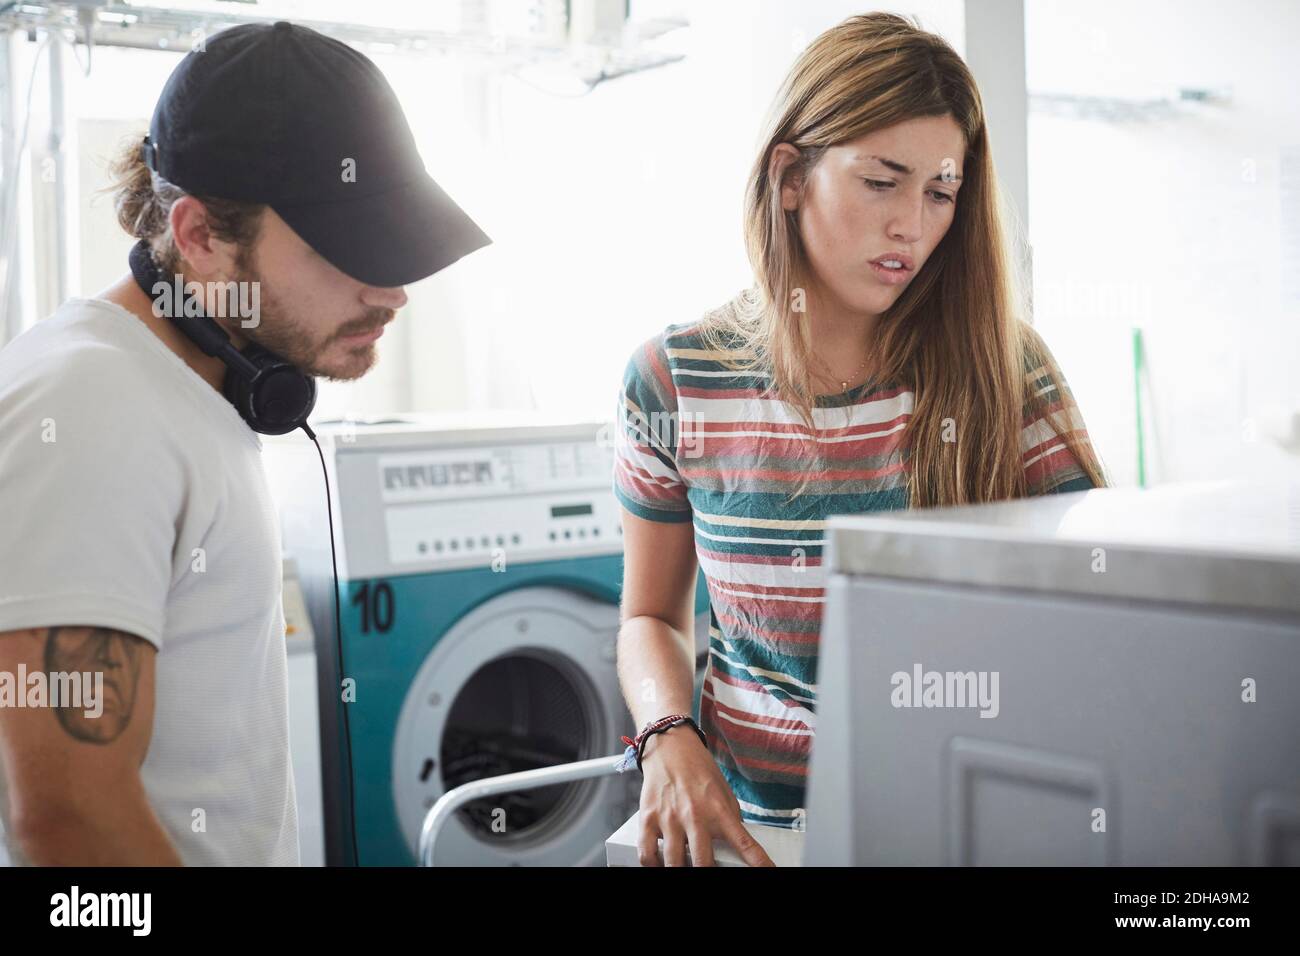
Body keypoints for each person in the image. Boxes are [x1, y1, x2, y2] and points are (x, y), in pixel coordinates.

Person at [612, 12, 1106, 867]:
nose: (913, 226)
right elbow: (650, 616)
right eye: (884, 181)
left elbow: (1100, 606)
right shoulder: (673, 379)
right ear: (791, 175)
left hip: (963, 813)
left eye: (941, 192)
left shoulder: (1008, 369)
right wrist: (667, 739)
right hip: (754, 830)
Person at [0, 21, 488, 865]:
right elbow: (68, 820)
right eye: (350, 251)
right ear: (199, 238)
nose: (394, 291)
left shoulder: (196, 386)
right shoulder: (89, 405)